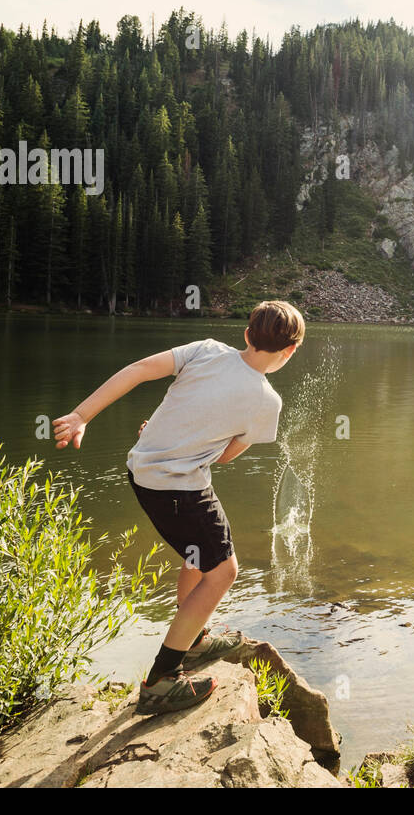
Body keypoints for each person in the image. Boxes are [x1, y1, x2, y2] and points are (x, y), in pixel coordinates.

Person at [53, 300, 305, 713]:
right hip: (179, 489)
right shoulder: (267, 401)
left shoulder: (206, 349)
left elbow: (138, 370)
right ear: (290, 351)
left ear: (246, 334)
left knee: (199, 552)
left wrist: (82, 415)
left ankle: (196, 638)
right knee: (223, 571)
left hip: (143, 475)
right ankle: (162, 679)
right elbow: (226, 456)